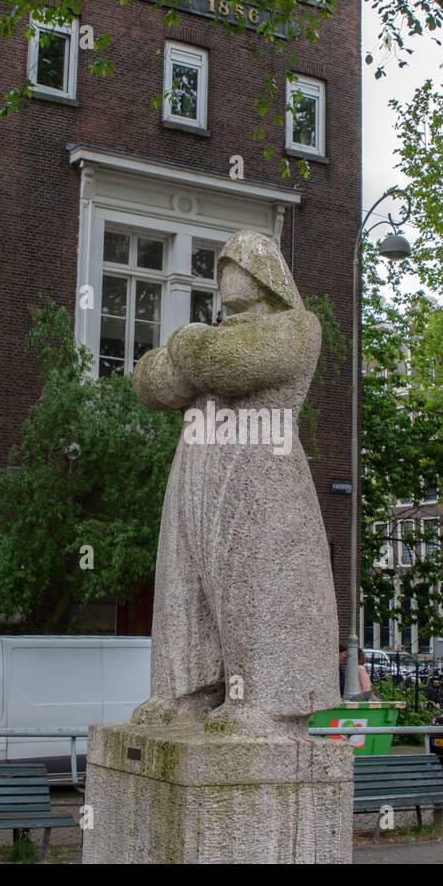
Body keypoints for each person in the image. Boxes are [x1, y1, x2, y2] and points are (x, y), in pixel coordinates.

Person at [129, 230, 340, 737]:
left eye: (238, 265)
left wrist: (186, 347)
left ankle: (263, 702)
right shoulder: (216, 333)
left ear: (267, 274)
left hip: (258, 474)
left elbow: (224, 364)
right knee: (185, 584)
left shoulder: (298, 327)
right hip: (196, 470)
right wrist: (194, 355)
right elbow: (149, 382)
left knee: (254, 583)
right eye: (221, 266)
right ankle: (182, 692)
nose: (226, 275)